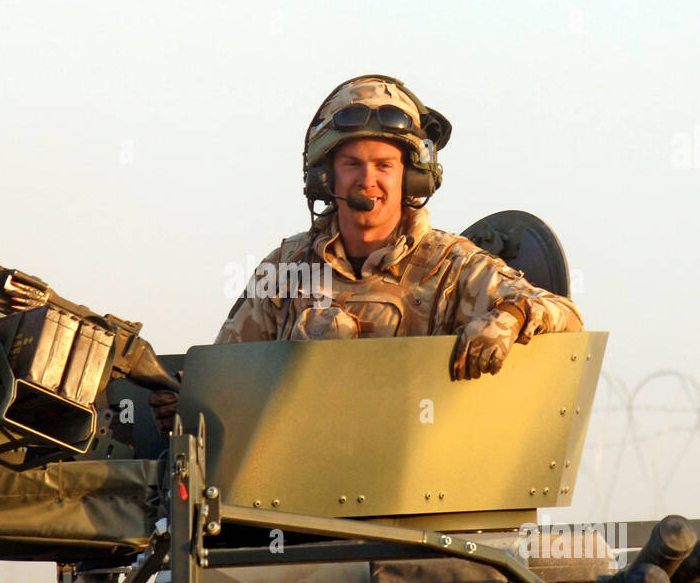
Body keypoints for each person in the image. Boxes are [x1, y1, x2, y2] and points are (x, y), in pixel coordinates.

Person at [150, 74, 583, 432]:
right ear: (326, 177)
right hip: (292, 505)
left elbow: (566, 316)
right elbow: (230, 372)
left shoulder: (453, 266)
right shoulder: (286, 270)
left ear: (412, 179)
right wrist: (195, 397)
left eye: (384, 165)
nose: (367, 180)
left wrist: (513, 317)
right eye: (351, 164)